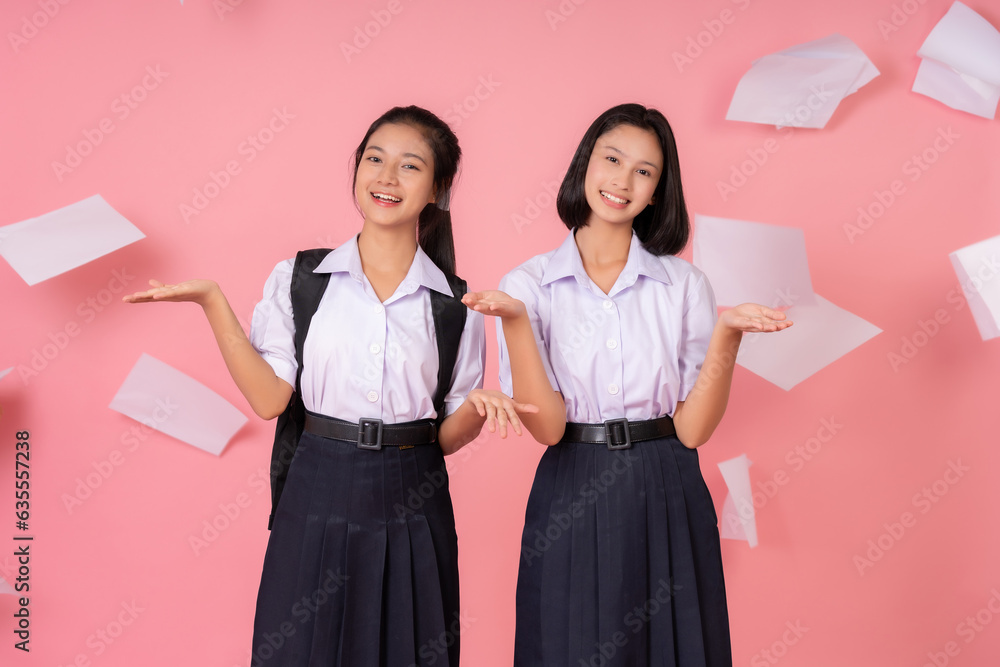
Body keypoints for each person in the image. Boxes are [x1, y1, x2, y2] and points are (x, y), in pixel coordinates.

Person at [124, 105, 534, 666]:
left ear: (438, 190)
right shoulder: (301, 280)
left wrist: (479, 408)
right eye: (374, 159)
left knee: (412, 646)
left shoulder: (456, 304)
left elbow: (445, 437)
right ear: (357, 167)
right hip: (317, 482)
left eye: (410, 166)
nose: (387, 178)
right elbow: (269, 399)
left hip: (414, 494)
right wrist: (212, 301)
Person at [463, 103, 792, 666]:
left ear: (658, 192)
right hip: (571, 481)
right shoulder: (528, 285)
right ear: (585, 164)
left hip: (666, 480)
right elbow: (548, 430)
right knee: (568, 645)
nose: (622, 181)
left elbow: (692, 431)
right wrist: (516, 321)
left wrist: (728, 335)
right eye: (612, 159)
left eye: (644, 171)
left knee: (673, 646)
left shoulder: (684, 284)